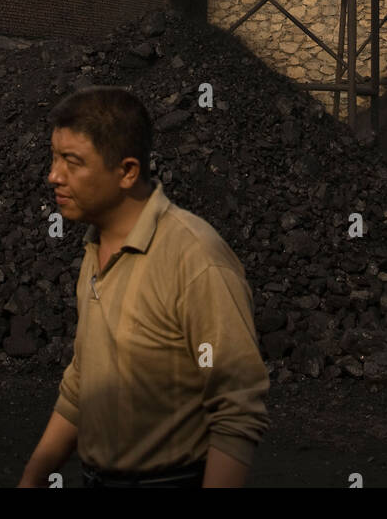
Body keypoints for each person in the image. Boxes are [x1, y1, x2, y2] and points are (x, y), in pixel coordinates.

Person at [17, 85, 269, 489]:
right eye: (54, 156)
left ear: (127, 171)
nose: (53, 176)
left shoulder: (195, 258)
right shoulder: (94, 250)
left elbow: (235, 408)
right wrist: (32, 479)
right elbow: (82, 382)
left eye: (72, 161)